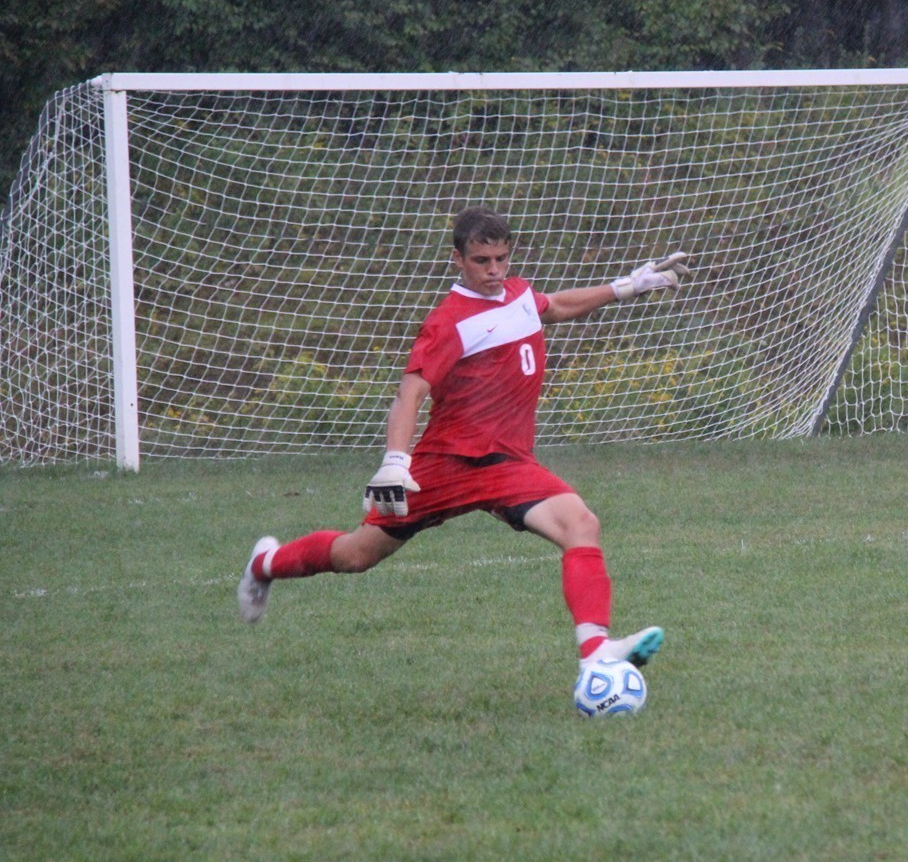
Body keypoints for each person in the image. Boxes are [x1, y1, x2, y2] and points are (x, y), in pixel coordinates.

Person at [237, 205, 689, 680]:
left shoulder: (516, 293)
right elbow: (410, 393)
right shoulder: (449, 322)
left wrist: (627, 287)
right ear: (458, 259)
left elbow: (553, 306)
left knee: (581, 523)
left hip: (507, 464)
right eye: (481, 261)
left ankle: (596, 653)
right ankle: (265, 563)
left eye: (501, 259)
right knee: (355, 555)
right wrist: (395, 460)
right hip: (445, 466)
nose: (494, 271)